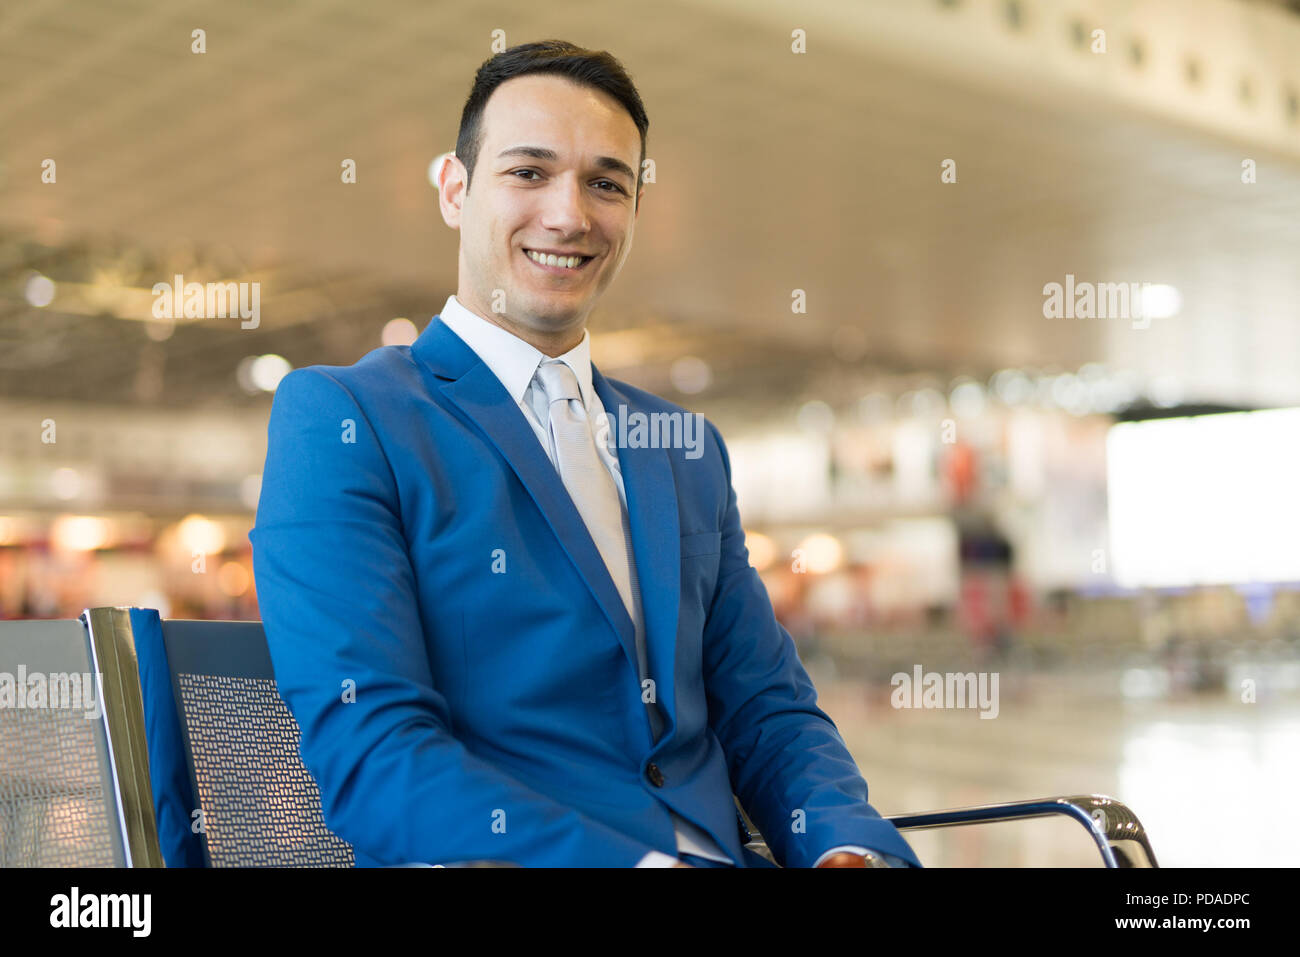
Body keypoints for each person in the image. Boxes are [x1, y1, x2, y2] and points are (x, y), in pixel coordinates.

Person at [250, 39, 920, 869]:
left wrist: (844, 845)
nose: (570, 215)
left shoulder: (683, 448)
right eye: (528, 172)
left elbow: (765, 708)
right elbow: (375, 753)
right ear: (455, 192)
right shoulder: (350, 419)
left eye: (607, 182)